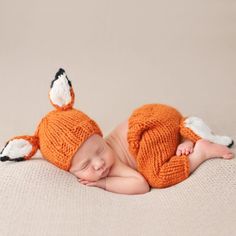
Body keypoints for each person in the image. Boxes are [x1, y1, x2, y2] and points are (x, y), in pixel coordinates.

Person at [0, 68, 234, 195]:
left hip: (148, 126)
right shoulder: (100, 158)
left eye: (100, 150)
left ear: (101, 138)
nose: (99, 164)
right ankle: (182, 136)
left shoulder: (113, 166)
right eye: (85, 166)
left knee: (157, 176)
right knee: (157, 150)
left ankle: (200, 152)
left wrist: (104, 184)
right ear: (68, 170)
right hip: (160, 116)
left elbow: (141, 185)